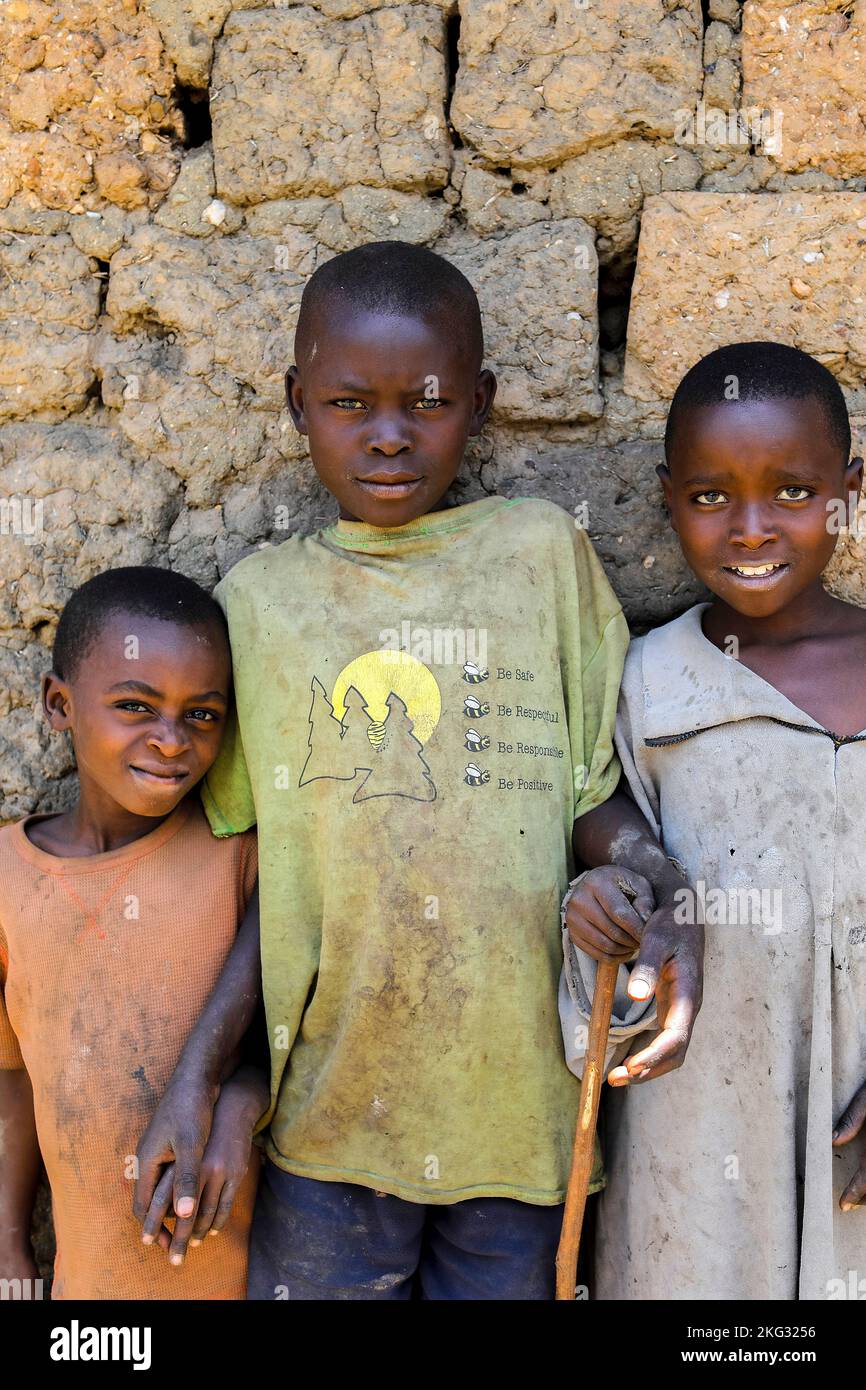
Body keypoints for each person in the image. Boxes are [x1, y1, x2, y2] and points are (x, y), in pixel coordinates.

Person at [134, 240, 703, 1301]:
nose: (389, 435)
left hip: (524, 1126)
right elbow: (268, 875)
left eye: (427, 403)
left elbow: (591, 799)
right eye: (350, 403)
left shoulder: (540, 556)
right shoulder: (259, 605)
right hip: (330, 1126)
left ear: (479, 403)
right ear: (297, 402)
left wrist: (652, 884)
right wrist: (203, 1080)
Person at [562, 341, 866, 1300]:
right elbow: (598, 810)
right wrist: (643, 886)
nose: (750, 529)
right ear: (666, 496)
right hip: (702, 1124)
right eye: (708, 498)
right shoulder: (652, 682)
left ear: (850, 490)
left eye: (792, 493)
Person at [0, 567, 267, 1299]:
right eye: (134, 706)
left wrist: (241, 1105)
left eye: (203, 715)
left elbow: (294, 1039)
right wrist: (10, 1246)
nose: (172, 740)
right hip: (94, 1294)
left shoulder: (240, 859)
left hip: (243, 1276)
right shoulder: (8, 876)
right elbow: (13, 1077)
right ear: (60, 705)